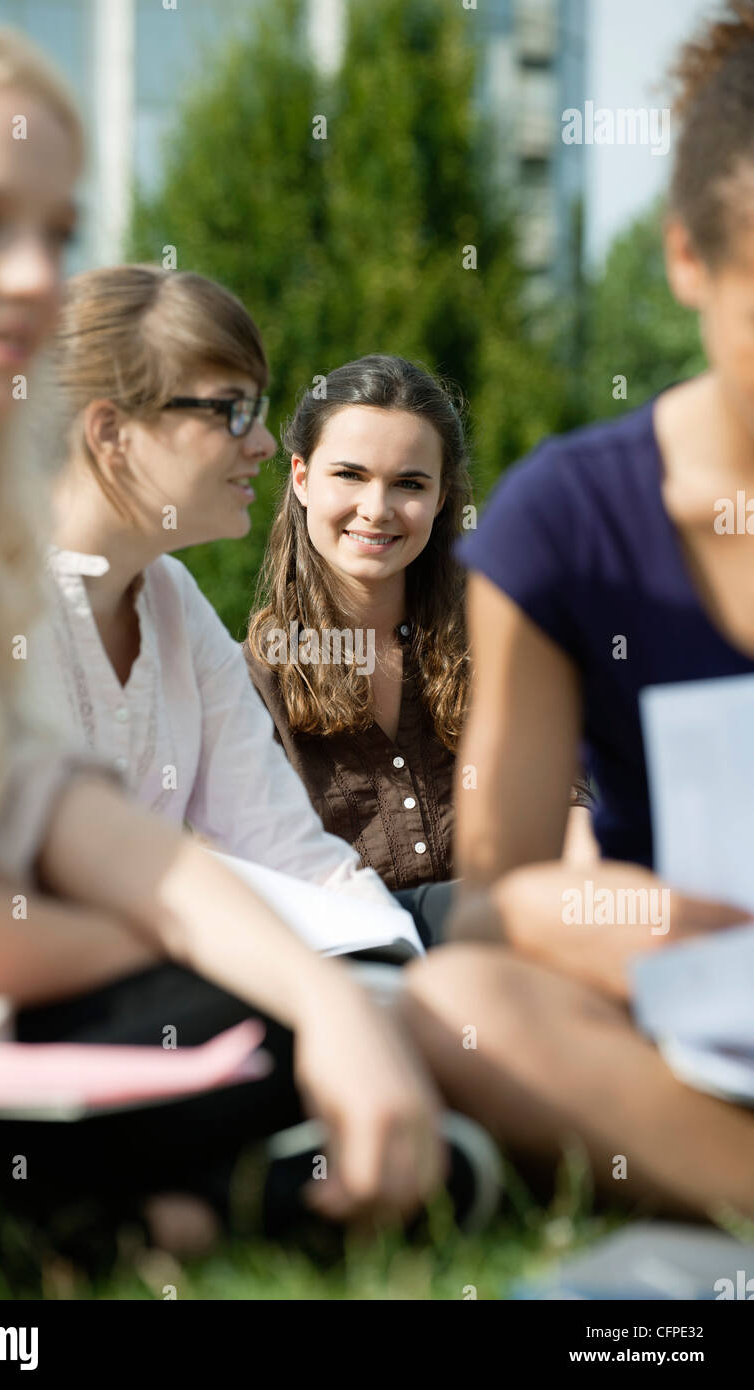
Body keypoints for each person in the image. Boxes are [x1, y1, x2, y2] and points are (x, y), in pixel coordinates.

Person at [0, 11, 446, 1292]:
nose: (34, 273)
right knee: (292, 1018)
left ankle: (176, 1219)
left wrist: (319, 991)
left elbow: (129, 845)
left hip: (32, 1009)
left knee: (357, 1003)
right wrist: (250, 976)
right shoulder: (5, 575)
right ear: (108, 435)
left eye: (55, 232)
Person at [401, 0, 754, 1220]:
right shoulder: (571, 518)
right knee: (458, 1005)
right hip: (703, 1038)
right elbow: (497, 897)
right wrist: (623, 917)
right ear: (688, 261)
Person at [32, 265, 404, 912]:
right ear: (111, 433)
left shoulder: (171, 600)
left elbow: (288, 852)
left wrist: (396, 964)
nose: (264, 443)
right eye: (231, 410)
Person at [245, 355, 594, 943]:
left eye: (409, 483)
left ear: (441, 498)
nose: (376, 509)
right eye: (350, 475)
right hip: (355, 984)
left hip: (522, 960)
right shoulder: (250, 685)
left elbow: (574, 814)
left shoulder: (503, 642)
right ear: (302, 478)